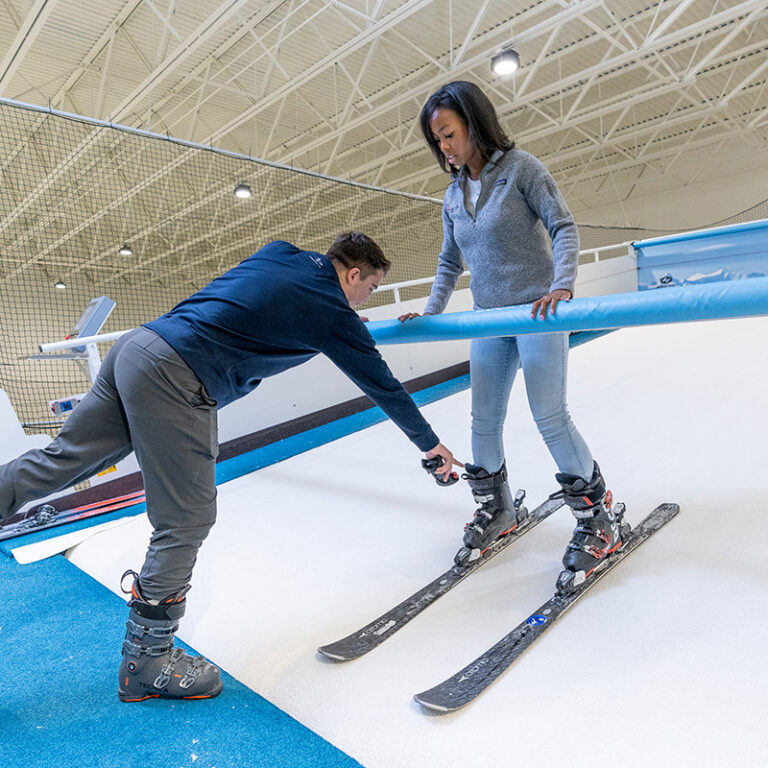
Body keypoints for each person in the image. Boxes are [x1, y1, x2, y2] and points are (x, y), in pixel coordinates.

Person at [0, 232, 459, 701]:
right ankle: (149, 662)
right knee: (186, 517)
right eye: (371, 288)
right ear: (354, 273)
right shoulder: (330, 312)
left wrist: (335, 318)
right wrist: (430, 444)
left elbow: (260, 299)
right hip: (177, 376)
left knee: (61, 462)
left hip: (139, 346)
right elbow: (383, 385)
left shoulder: (283, 253)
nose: (368, 298)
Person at [400, 81, 627, 592]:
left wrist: (562, 284)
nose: (445, 147)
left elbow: (564, 226)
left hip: (537, 314)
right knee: (483, 419)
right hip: (489, 320)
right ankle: (497, 508)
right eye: (437, 140)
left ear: (474, 124)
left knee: (549, 415)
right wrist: (430, 312)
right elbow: (447, 261)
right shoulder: (453, 195)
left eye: (449, 134)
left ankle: (598, 521)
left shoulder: (522, 169)